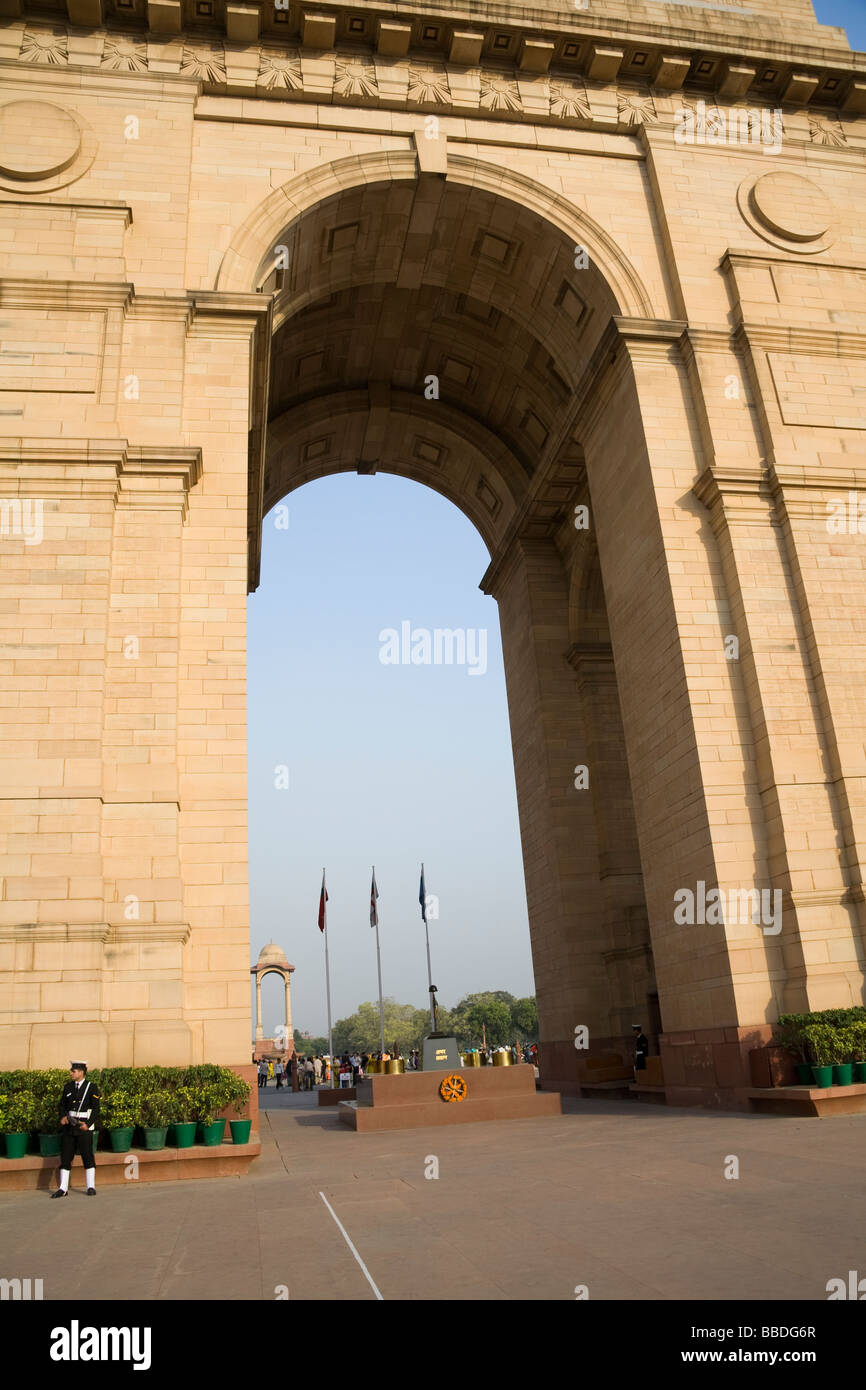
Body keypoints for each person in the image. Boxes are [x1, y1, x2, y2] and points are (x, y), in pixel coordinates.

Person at [52, 1061, 100, 1198]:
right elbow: (62, 1105)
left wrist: (88, 1123)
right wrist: (62, 1117)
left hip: (84, 1126)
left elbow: (96, 1109)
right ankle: (63, 1188)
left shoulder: (91, 1087)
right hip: (69, 1126)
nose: (71, 1073)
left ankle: (90, 1186)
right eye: (71, 1071)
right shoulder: (68, 1087)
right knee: (66, 1156)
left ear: (81, 1072)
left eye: (73, 1071)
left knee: (87, 1155)